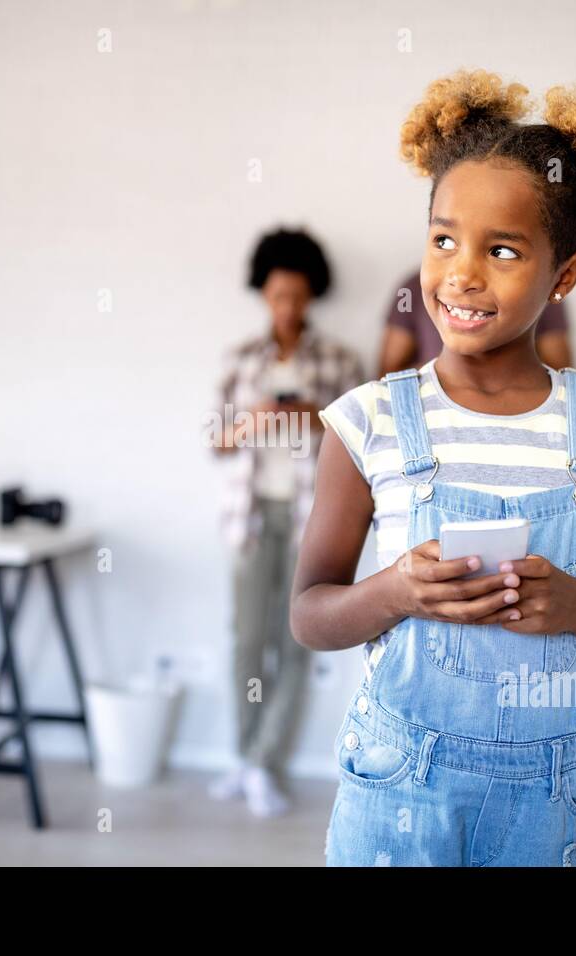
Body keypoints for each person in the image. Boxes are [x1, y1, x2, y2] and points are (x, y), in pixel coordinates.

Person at [292, 69, 576, 865]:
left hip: (547, 800)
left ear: (564, 276)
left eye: (502, 250)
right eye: (443, 239)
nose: (462, 273)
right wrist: (394, 590)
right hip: (395, 784)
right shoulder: (368, 420)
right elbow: (310, 614)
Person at [208, 227, 365, 818]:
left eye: (298, 296)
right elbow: (215, 441)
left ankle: (265, 762)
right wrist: (252, 421)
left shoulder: (340, 361)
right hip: (248, 518)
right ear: (263, 293)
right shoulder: (240, 360)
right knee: (247, 639)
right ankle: (242, 755)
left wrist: (309, 415)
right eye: (278, 296)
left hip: (311, 519)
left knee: (296, 640)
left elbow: (358, 441)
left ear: (312, 295)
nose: (288, 307)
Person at [378, 270, 573, 375]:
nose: (464, 280)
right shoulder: (411, 290)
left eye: (501, 251)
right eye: (443, 241)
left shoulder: (541, 293)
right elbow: (388, 372)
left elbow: (560, 368)